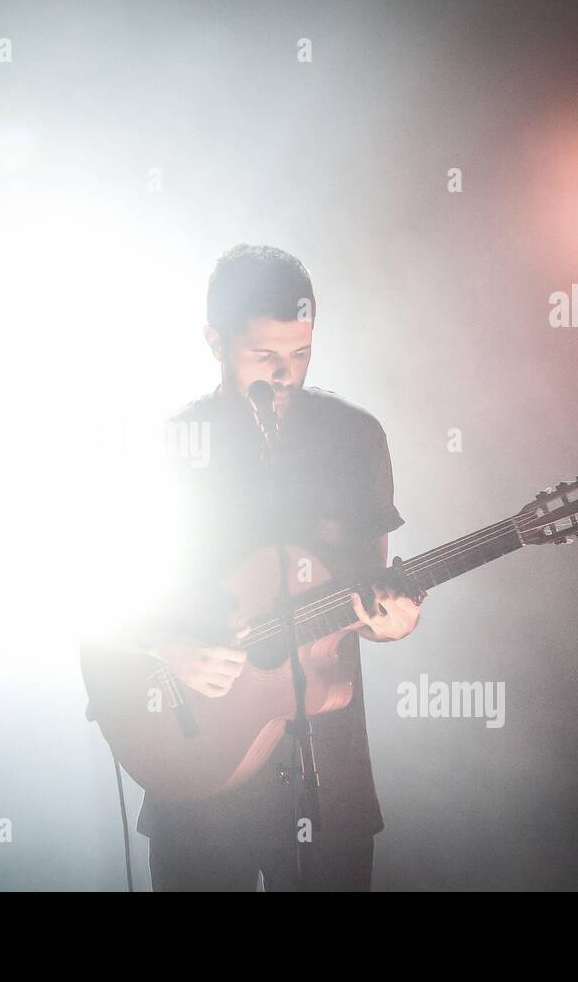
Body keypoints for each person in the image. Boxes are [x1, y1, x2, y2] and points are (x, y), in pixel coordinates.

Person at [100, 243, 425, 891]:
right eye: (263, 356)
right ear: (213, 341)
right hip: (192, 762)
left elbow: (373, 590)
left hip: (326, 769)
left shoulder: (354, 437)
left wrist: (395, 620)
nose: (285, 374)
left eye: (301, 354)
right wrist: (167, 649)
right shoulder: (170, 444)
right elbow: (98, 595)